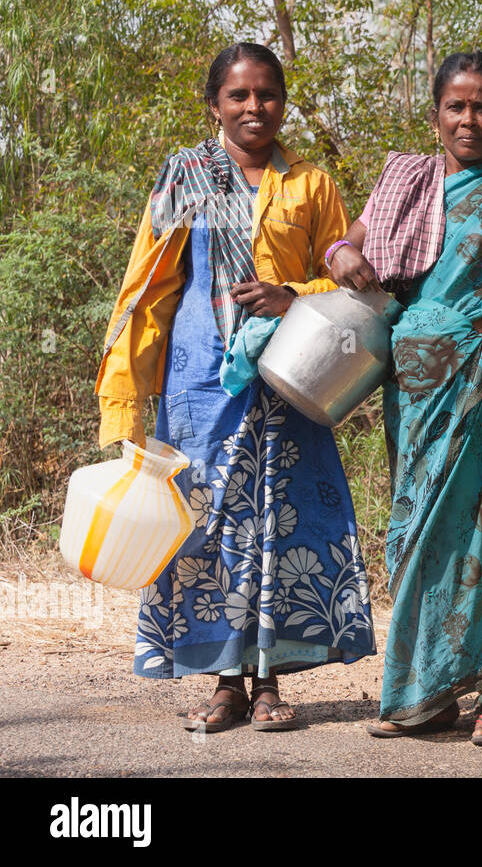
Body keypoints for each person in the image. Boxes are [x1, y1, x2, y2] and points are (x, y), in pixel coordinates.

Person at [97, 42, 377, 732]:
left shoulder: (311, 185)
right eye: (239, 96)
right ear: (215, 103)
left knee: (282, 521)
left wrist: (292, 293)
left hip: (291, 374)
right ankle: (224, 682)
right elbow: (148, 287)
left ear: (284, 99)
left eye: (269, 94)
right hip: (199, 379)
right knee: (208, 524)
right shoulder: (184, 173)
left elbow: (349, 280)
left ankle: (272, 682)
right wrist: (130, 392)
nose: (256, 107)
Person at [327, 51, 482, 746]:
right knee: (418, 533)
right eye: (456, 106)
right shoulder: (405, 185)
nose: (468, 118)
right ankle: (423, 693)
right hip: (418, 394)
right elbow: (349, 247)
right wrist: (341, 253)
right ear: (435, 116)